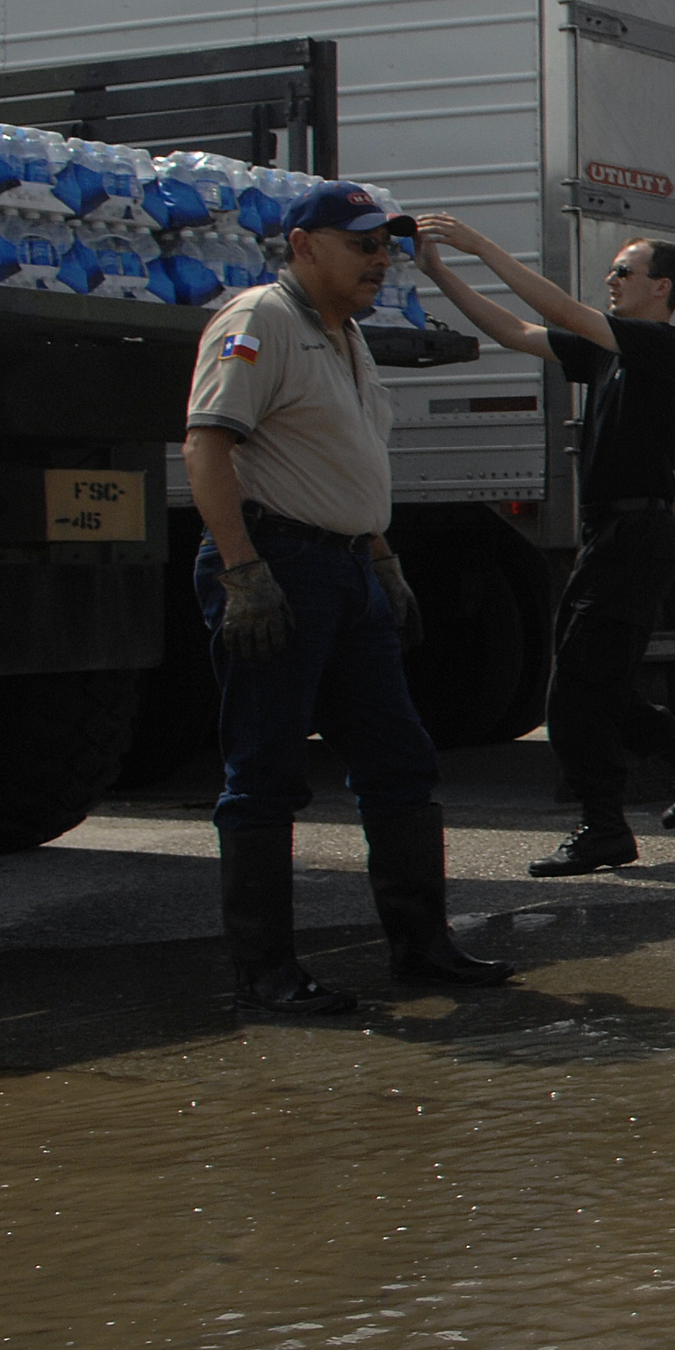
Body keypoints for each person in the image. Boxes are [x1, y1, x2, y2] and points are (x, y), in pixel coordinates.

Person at [182, 181, 512, 1016]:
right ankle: (265, 973)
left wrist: (382, 559)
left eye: (386, 245)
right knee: (265, 770)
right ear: (304, 246)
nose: (381, 259)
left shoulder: (349, 335)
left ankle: (423, 947)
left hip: (348, 567)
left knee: (400, 761)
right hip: (279, 565)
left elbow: (344, 462)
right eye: (363, 243)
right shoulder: (260, 319)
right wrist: (243, 571)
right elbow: (206, 446)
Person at [412, 217, 675, 876]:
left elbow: (559, 310)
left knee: (572, 690)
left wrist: (481, 245)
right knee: (599, 683)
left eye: (625, 271)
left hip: (636, 538)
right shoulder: (608, 353)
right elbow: (516, 331)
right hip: (609, 537)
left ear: (661, 287)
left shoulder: (660, 345)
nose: (611, 280)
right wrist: (440, 272)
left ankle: (605, 826)